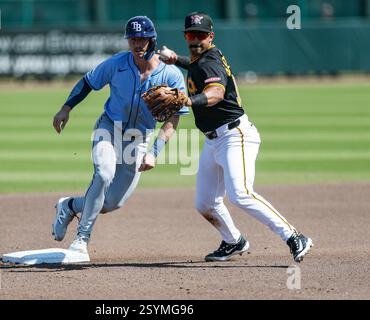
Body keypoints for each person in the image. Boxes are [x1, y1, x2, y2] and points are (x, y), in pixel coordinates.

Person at [158, 12, 313, 262]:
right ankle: (234, 241)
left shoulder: (210, 62)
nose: (195, 39)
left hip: (235, 136)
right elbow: (196, 64)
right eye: (190, 34)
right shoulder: (205, 57)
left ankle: (294, 236)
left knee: (240, 193)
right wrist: (176, 59)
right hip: (213, 140)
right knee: (205, 203)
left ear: (211, 36)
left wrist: (188, 100)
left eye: (201, 35)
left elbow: (216, 93)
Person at [51, 16, 188, 262]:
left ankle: (70, 206)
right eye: (133, 39)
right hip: (109, 129)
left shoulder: (171, 75)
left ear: (152, 39)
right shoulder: (117, 63)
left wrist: (154, 152)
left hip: (140, 139)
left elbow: (173, 119)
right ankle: (81, 240)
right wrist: (66, 108)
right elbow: (88, 83)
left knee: (111, 202)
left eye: (142, 39)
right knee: (103, 175)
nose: (137, 44)